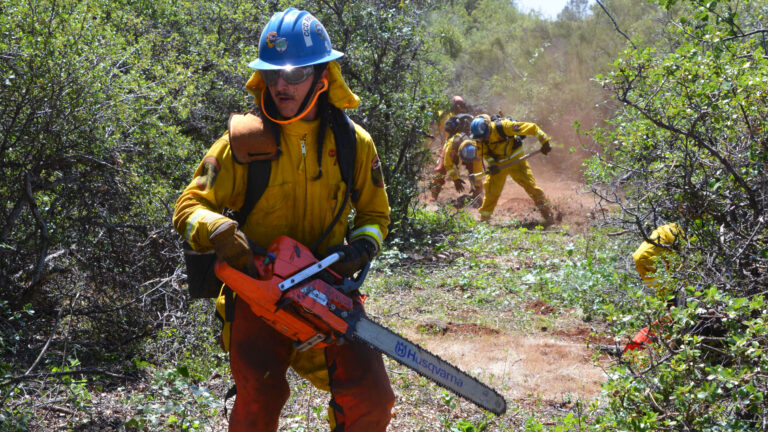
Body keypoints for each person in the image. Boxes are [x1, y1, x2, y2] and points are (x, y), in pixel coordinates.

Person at [172, 8, 394, 431]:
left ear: (321, 75)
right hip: (259, 295)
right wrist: (217, 229)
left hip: (328, 293)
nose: (281, 85)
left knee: (371, 399)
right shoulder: (243, 141)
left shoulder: (353, 143)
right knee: (258, 397)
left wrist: (362, 246)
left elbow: (374, 213)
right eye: (272, 74)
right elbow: (188, 206)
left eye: (294, 74)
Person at [468, 114, 554, 224]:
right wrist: (492, 164)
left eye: (486, 135)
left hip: (517, 161)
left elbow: (532, 128)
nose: (484, 139)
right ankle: (484, 221)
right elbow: (484, 153)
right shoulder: (479, 139)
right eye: (481, 137)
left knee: (531, 187)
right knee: (491, 193)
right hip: (499, 166)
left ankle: (548, 214)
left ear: (489, 127)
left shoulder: (503, 127)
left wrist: (544, 141)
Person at [623, 223, 683, 353]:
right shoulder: (649, 260)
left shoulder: (676, 236)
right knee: (671, 305)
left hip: (651, 257)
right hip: (647, 259)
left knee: (672, 304)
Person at [429, 112, 474, 200]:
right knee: (440, 169)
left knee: (474, 168)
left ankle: (477, 194)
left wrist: (476, 184)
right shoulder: (452, 144)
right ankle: (433, 196)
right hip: (453, 149)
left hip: (468, 153)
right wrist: (455, 179)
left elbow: (478, 167)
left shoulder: (474, 145)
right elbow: (447, 163)